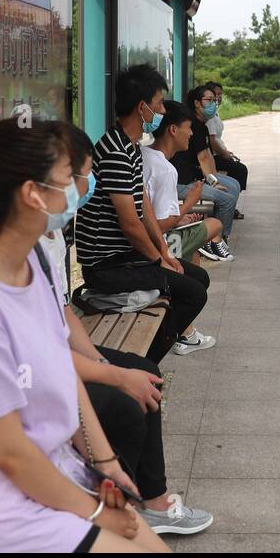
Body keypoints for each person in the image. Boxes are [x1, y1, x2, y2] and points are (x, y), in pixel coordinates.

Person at [0, 117, 167, 553]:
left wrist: (105, 465)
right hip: (4, 515)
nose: (78, 188)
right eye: (68, 178)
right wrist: (94, 511)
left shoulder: (33, 263)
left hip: (59, 475)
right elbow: (10, 454)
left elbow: (60, 367)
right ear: (33, 194)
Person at [52, 122, 213, 533]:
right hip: (43, 374)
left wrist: (102, 361)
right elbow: (37, 355)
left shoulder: (46, 237)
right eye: (78, 177)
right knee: (130, 397)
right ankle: (126, 503)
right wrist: (113, 373)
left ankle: (144, 501)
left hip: (56, 362)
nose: (86, 188)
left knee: (145, 374)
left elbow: (61, 312)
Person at [75, 64, 215, 361]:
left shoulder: (130, 147)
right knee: (193, 292)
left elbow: (145, 206)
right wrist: (157, 261)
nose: (163, 110)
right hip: (107, 266)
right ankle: (143, 364)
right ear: (142, 108)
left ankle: (147, 358)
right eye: (159, 104)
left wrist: (163, 252)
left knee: (198, 279)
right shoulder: (115, 151)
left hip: (126, 258)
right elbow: (129, 223)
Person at [142, 101, 226, 263]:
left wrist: (179, 219)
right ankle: (202, 245)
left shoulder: (143, 154)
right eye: (188, 127)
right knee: (214, 224)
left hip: (153, 237)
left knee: (193, 256)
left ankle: (196, 246)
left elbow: (153, 215)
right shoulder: (165, 170)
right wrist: (190, 202)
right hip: (159, 246)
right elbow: (159, 227)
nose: (191, 133)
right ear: (173, 130)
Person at [173, 84, 240, 260]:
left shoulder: (201, 124)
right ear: (196, 103)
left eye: (215, 100)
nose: (214, 103)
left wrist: (214, 177)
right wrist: (213, 181)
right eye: (209, 100)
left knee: (233, 186)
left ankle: (219, 236)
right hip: (185, 182)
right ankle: (217, 240)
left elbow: (207, 155)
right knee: (227, 198)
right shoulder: (194, 124)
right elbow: (202, 157)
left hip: (192, 178)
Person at [204, 82, 248, 200]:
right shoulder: (209, 116)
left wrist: (226, 151)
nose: (218, 97)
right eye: (215, 95)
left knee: (237, 167)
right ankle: (229, 201)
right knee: (240, 169)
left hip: (216, 153)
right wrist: (224, 154)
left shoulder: (214, 113)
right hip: (212, 156)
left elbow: (216, 139)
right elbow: (212, 141)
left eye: (220, 94)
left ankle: (231, 200)